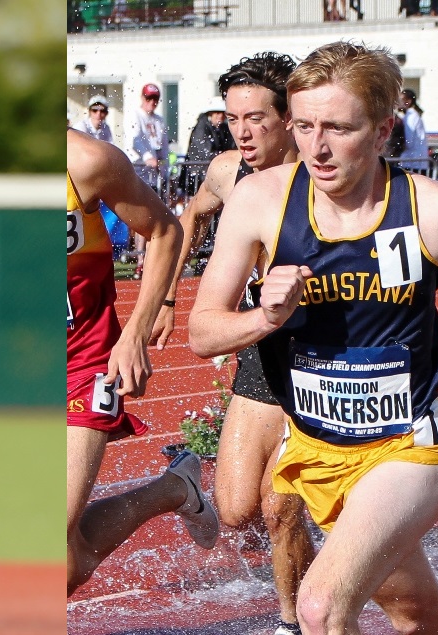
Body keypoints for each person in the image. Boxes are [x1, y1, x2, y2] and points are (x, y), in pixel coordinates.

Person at [188, 41, 438, 633]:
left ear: (383, 128)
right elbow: (202, 332)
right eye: (305, 125)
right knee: (416, 615)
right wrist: (266, 317)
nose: (317, 146)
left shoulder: (434, 209)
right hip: (318, 446)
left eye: (338, 127)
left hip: (408, 442)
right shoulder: (260, 201)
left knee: (320, 607)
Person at [152, 51, 314, 635]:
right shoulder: (227, 171)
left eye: (255, 119)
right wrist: (169, 297)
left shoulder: (322, 173)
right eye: (232, 118)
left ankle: (294, 621)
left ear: (289, 117)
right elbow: (188, 217)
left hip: (326, 358)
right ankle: (318, 577)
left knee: (279, 508)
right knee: (239, 508)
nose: (241, 131)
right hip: (262, 352)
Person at [67, 128, 218, 597]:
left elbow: (164, 229)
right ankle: (174, 489)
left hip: (85, 361)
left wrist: (134, 332)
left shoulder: (87, 163)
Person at [124, 83, 170, 279]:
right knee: (142, 216)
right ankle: (140, 259)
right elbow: (136, 140)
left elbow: (165, 147)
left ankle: (150, 259)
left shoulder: (159, 120)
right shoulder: (135, 115)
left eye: (155, 99)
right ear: (142, 98)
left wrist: (166, 172)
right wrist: (147, 158)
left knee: (156, 216)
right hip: (140, 169)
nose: (152, 102)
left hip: (156, 174)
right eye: (148, 98)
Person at [178, 96, 234, 201]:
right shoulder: (201, 128)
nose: (220, 116)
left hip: (212, 174)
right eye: (217, 113)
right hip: (197, 176)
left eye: (223, 114)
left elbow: (232, 147)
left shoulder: (224, 129)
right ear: (210, 114)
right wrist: (228, 156)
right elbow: (206, 153)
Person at [399, 88, 429, 174]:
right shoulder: (410, 115)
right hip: (415, 161)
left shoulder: (411, 117)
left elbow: (409, 141)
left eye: (400, 100)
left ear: (408, 101)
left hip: (413, 161)